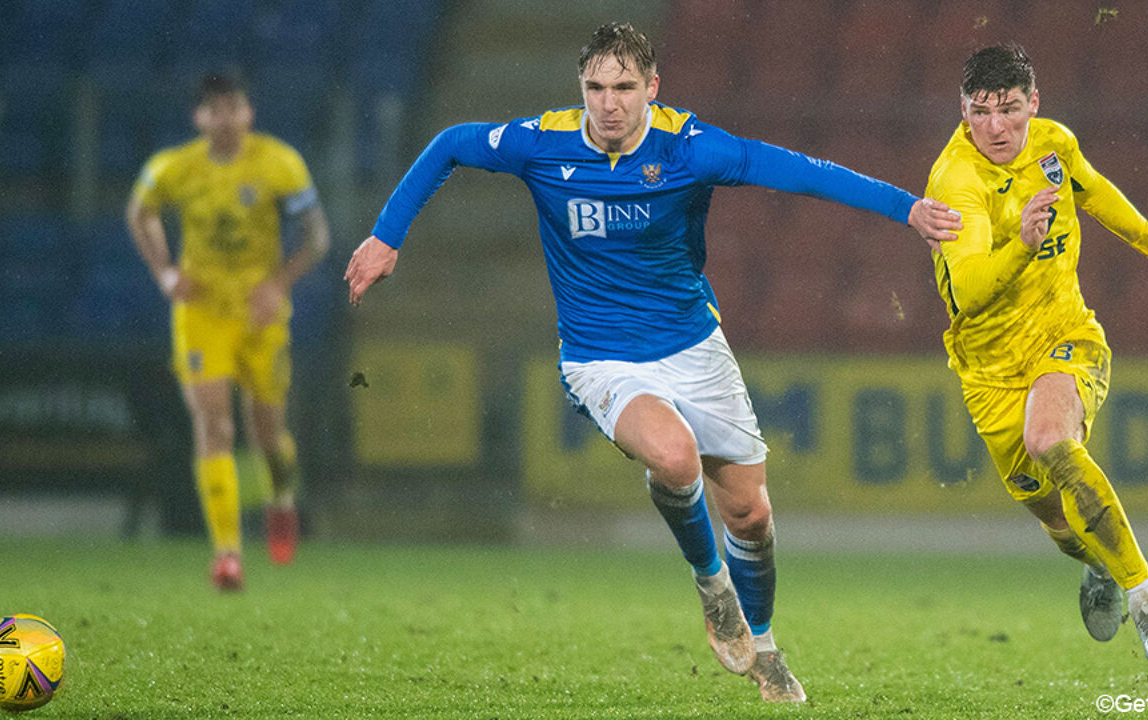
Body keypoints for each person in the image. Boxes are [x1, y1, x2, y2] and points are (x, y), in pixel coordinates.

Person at [345, 23, 961, 702]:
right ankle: (712, 586)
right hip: (601, 357)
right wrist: (385, 237)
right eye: (595, 88)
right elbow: (450, 144)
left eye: (624, 88)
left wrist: (905, 208)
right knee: (674, 456)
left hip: (694, 348)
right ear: (581, 87)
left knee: (751, 515)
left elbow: (801, 172)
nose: (608, 104)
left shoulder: (690, 149)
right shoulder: (543, 143)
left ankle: (763, 647)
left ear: (652, 87)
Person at [924, 44, 1148, 672]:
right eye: (980, 113)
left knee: (1048, 439)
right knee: (1056, 518)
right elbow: (969, 289)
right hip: (989, 370)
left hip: (1065, 335)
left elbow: (1097, 195)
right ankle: (1098, 564)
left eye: (1009, 109)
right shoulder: (956, 181)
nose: (995, 128)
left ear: (1033, 104)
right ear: (963, 112)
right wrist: (1023, 244)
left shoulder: (1054, 144)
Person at [127, 71, 330, 591]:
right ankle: (227, 553)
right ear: (199, 118)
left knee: (268, 434)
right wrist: (165, 272)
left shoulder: (279, 163)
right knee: (214, 426)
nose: (225, 119)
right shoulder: (174, 167)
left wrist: (279, 284)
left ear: (248, 113)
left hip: (261, 313)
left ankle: (281, 501)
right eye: (215, 110)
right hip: (202, 312)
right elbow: (140, 213)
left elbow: (317, 235)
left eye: (234, 108)